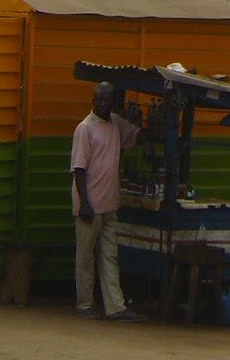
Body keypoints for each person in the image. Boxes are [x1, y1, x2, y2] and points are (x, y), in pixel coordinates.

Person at [71, 81, 148, 321]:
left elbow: (136, 134)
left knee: (109, 256)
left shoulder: (116, 124)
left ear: (113, 102)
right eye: (99, 100)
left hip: (109, 204)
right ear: (93, 101)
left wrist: (147, 144)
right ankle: (84, 304)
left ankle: (115, 306)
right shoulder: (85, 128)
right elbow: (79, 169)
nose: (103, 104)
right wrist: (84, 202)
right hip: (89, 205)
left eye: (107, 100)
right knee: (85, 257)